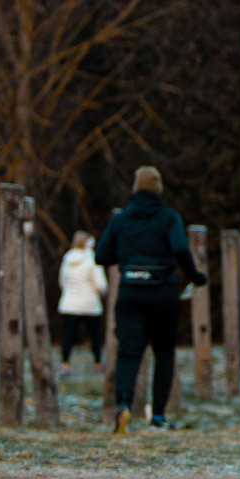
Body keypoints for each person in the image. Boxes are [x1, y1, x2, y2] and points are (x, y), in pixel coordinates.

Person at [96, 166, 206, 433]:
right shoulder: (168, 217)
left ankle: (123, 405)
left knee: (129, 354)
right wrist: (195, 276)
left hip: (131, 292)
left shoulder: (121, 220)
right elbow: (180, 248)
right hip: (162, 292)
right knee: (164, 354)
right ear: (159, 190)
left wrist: (125, 257)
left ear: (135, 189)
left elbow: (101, 255)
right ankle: (157, 415)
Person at [56, 230, 108, 376]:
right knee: (95, 336)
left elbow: (62, 282)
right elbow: (100, 285)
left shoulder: (67, 259)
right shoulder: (92, 259)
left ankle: (65, 366)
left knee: (68, 336)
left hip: (69, 305)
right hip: (90, 305)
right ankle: (98, 365)